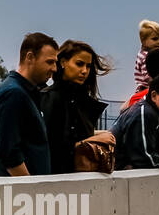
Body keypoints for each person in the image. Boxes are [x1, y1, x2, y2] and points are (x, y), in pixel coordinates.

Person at [0, 32, 57, 176]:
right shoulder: (13, 93)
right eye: (49, 62)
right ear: (30, 57)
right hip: (19, 195)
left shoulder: (27, 92)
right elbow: (9, 154)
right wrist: (30, 192)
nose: (55, 68)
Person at [41, 39, 110, 175]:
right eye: (79, 64)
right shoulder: (49, 98)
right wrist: (93, 142)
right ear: (63, 63)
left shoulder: (85, 102)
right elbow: (53, 146)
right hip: (56, 179)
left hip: (84, 178)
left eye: (88, 66)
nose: (84, 71)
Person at [133, 19, 159, 88]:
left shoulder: (152, 54)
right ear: (143, 41)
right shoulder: (145, 56)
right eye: (154, 39)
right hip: (145, 88)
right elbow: (147, 77)